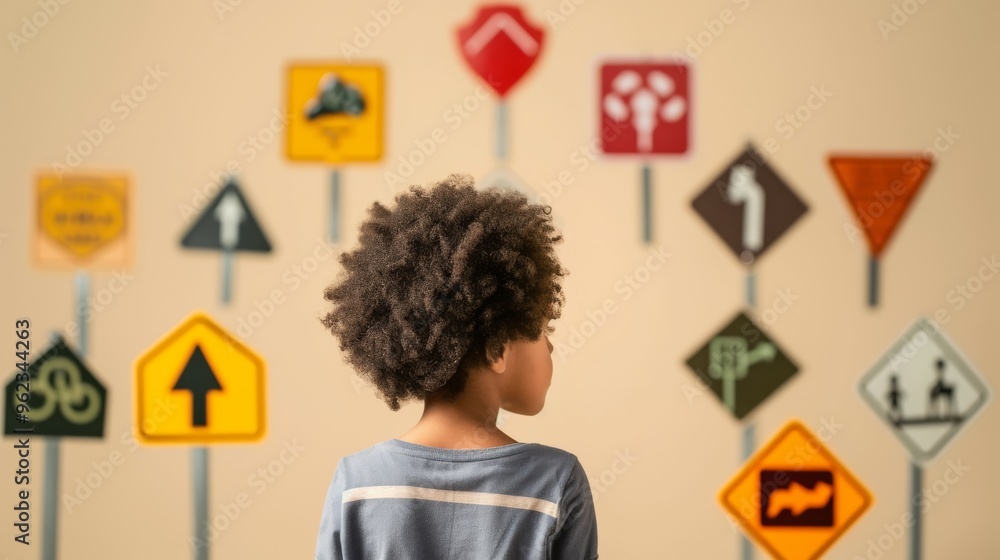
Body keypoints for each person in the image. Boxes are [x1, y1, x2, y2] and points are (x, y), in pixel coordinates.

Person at [314, 174, 599, 560]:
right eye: (542, 329)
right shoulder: (555, 482)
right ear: (496, 349)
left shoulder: (356, 483)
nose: (549, 345)